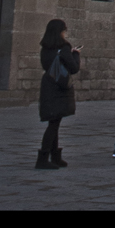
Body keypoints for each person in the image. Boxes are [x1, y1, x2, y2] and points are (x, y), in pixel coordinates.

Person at [37, 18, 81, 169]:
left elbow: (46, 65)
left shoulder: (45, 48)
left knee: (54, 121)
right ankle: (43, 158)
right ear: (61, 32)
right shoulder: (64, 47)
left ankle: (54, 155)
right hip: (59, 88)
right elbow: (74, 68)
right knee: (54, 124)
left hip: (48, 85)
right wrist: (76, 54)